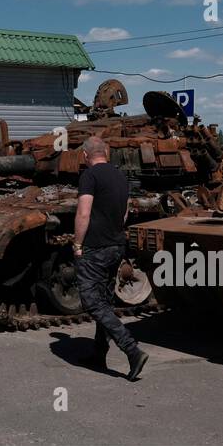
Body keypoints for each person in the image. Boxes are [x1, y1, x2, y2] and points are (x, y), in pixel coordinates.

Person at [73, 136, 149, 380]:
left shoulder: (89, 176)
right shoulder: (119, 175)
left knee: (92, 302)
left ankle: (132, 350)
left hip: (94, 247)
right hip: (116, 246)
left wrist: (77, 244)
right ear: (105, 152)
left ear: (85, 155)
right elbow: (124, 212)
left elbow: (83, 213)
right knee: (105, 300)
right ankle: (99, 352)